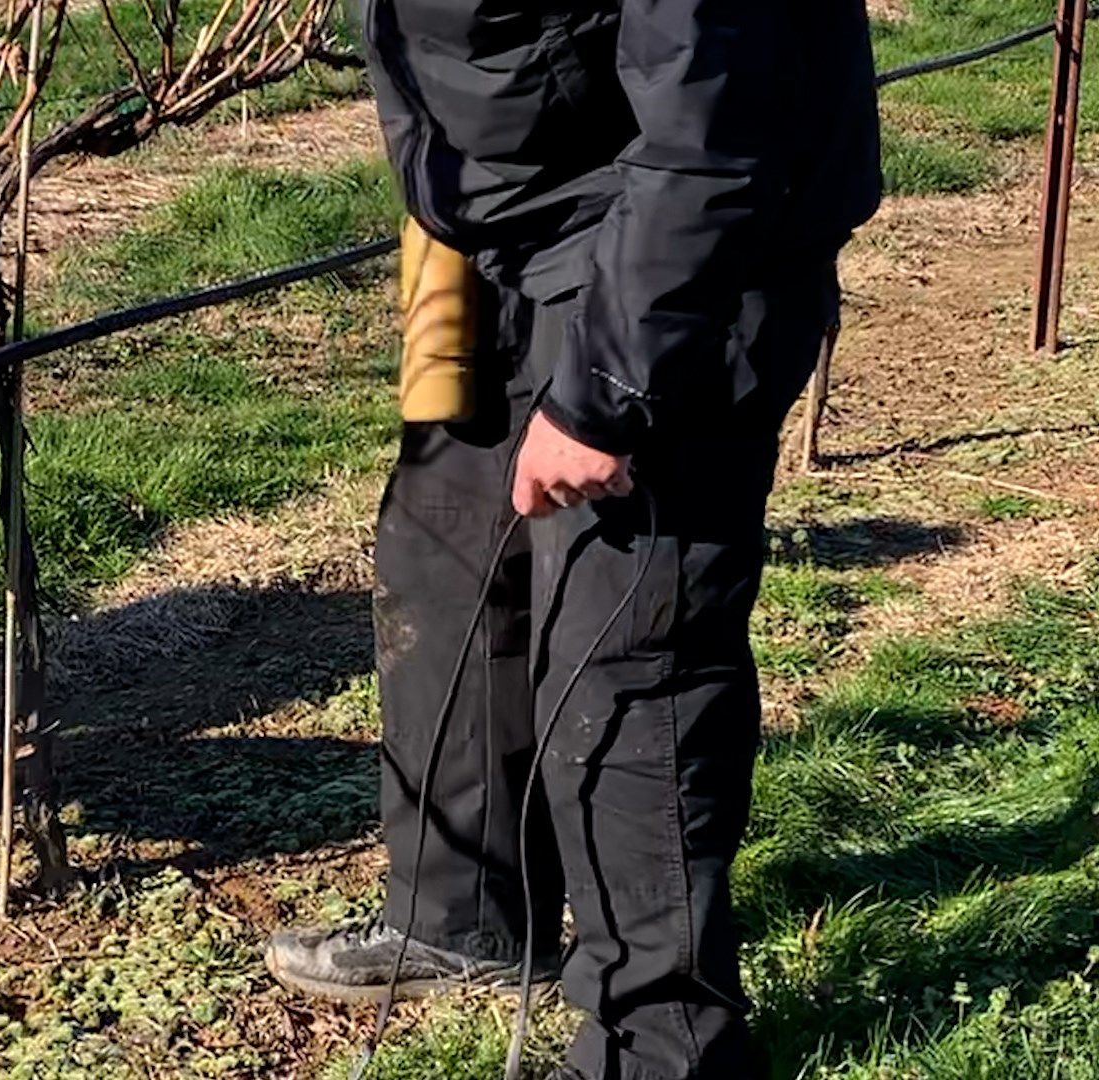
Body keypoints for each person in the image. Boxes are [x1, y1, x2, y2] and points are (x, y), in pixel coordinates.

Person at [264, 1, 882, 1077]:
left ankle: (662, 1042)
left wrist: (608, 388)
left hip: (669, 262)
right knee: (446, 558)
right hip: (508, 231)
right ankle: (458, 916)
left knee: (630, 651)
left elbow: (707, 122)